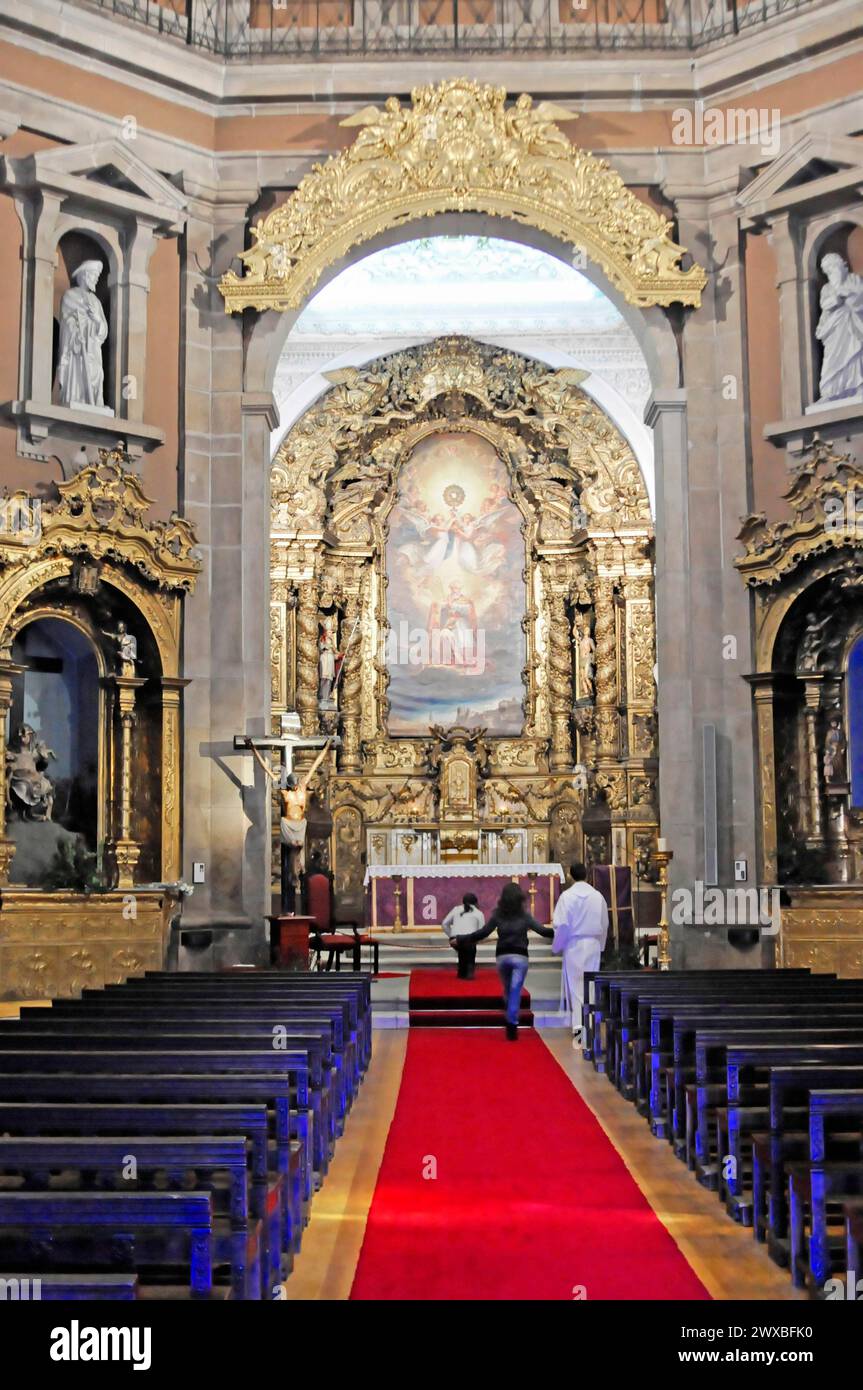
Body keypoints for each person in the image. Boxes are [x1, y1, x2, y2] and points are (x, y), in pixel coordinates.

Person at [460, 882, 553, 1040]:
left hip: (502, 956)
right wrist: (566, 932)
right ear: (520, 898)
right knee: (516, 990)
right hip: (520, 956)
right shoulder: (525, 916)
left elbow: (483, 933)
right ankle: (512, 1024)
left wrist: (462, 939)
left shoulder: (498, 914)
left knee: (508, 989)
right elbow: (543, 931)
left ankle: (509, 1010)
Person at [552, 862, 609, 1048]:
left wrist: (557, 946)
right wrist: (600, 945)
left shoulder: (567, 896)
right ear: (587, 875)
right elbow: (604, 923)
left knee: (576, 991)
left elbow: (561, 925)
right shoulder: (597, 896)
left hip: (574, 945)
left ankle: (580, 1037)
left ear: (570, 875)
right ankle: (590, 1035)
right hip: (592, 945)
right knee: (590, 989)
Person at [442, 892, 485, 980]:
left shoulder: (455, 909)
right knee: (470, 953)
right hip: (469, 940)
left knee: (462, 953)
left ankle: (461, 973)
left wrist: (451, 936)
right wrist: (477, 939)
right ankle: (469, 973)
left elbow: (444, 924)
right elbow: (482, 930)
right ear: (476, 903)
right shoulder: (478, 913)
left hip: (455, 940)